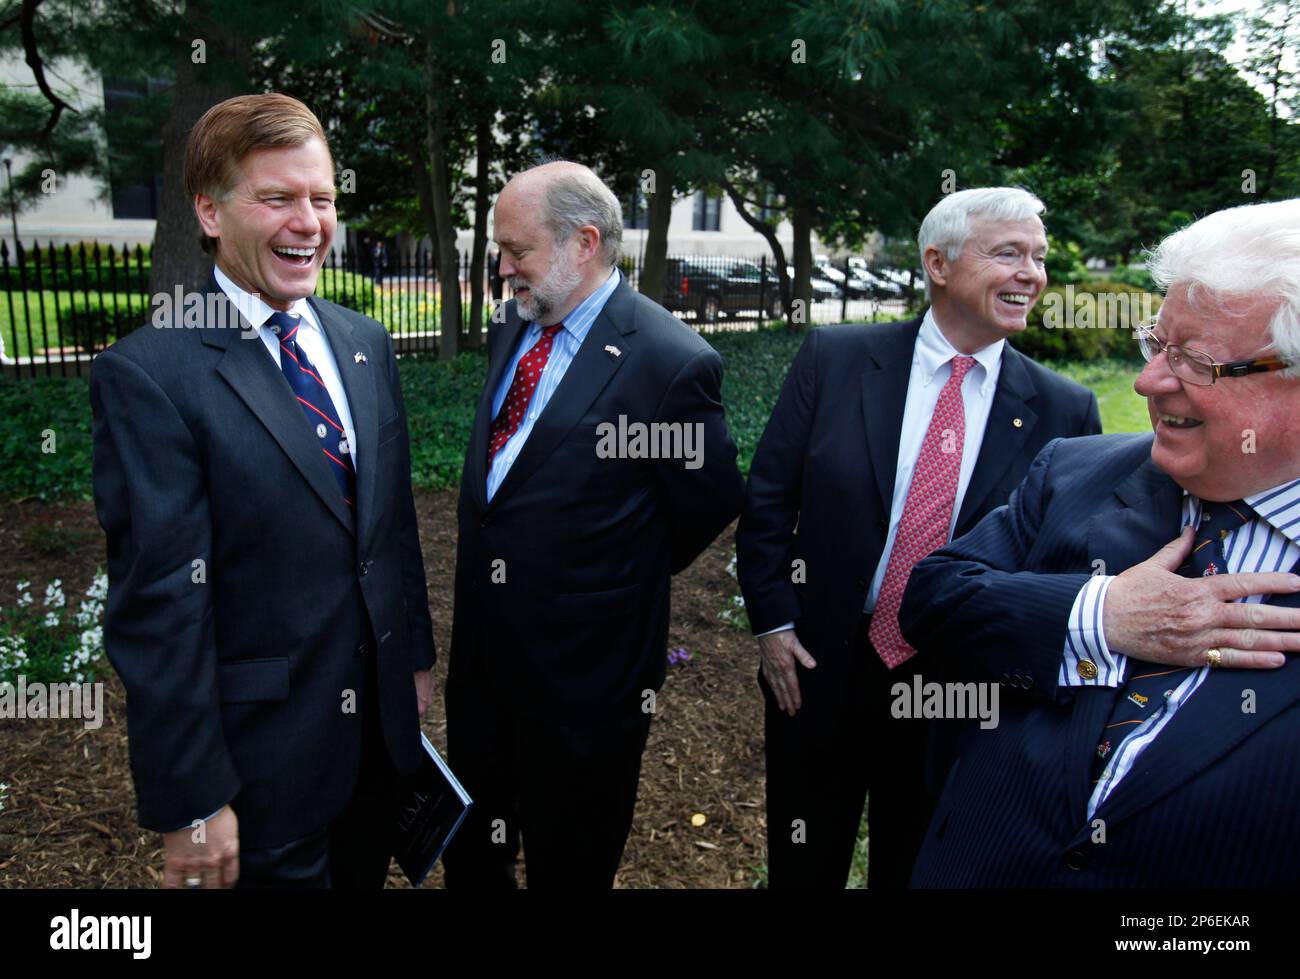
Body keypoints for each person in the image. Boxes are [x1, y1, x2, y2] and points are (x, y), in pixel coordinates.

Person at [90, 93, 436, 889]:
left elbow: (390, 526)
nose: (308, 221)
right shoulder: (150, 373)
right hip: (260, 779)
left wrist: (412, 658)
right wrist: (193, 801)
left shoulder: (363, 343)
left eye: (320, 199)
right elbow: (160, 610)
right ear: (209, 211)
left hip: (376, 752)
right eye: (277, 198)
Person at [902, 198, 1300, 887]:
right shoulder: (1077, 472)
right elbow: (932, 602)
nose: (1149, 381)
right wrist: (1101, 615)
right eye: (1156, 343)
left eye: (1196, 363)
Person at [736, 187, 1102, 888]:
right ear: (938, 262)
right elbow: (769, 498)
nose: (1032, 272)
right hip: (820, 668)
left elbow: (1067, 565)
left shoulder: (1063, 409)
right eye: (1008, 253)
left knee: (920, 869)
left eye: (1039, 256)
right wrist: (774, 621)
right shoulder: (836, 359)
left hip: (960, 689)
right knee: (803, 863)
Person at [442, 160, 744, 889]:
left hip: (588, 685)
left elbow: (707, 499)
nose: (503, 267)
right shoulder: (513, 326)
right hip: (483, 664)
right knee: (474, 856)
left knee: (569, 865)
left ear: (584, 242)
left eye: (517, 250)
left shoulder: (669, 363)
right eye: (499, 250)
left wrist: (610, 573)